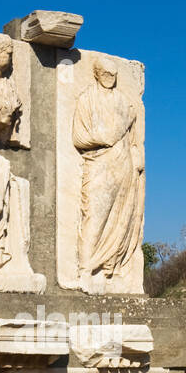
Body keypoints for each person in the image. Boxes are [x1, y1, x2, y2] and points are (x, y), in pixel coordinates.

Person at [72, 57, 144, 280]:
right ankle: (85, 267)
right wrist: (103, 138)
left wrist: (136, 154)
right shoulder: (86, 100)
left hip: (124, 166)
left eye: (113, 76)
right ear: (96, 74)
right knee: (94, 215)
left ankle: (109, 268)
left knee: (122, 216)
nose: (110, 79)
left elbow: (133, 139)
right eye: (105, 75)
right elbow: (78, 137)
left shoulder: (124, 102)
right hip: (98, 164)